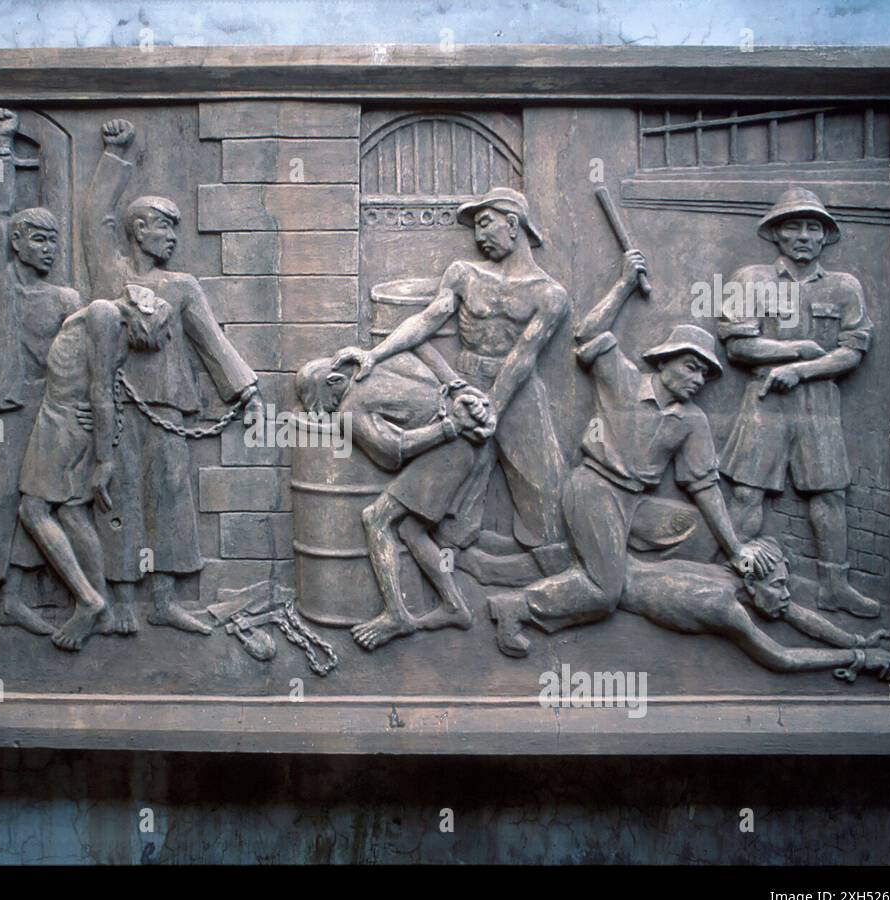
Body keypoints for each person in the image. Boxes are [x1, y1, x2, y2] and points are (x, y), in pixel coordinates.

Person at [488, 250, 771, 657]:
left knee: (700, 528)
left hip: (635, 504)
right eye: (692, 367)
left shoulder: (692, 421)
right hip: (594, 491)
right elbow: (587, 333)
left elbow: (705, 488)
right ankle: (515, 607)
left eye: (705, 373)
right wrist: (623, 284)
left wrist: (735, 549)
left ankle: (645, 579)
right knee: (605, 593)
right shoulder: (624, 380)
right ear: (666, 361)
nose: (699, 379)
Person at [80, 118, 262, 635]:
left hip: (169, 410)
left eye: (178, 229)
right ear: (140, 230)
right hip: (116, 408)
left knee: (173, 500)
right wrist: (115, 155)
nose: (174, 239)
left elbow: (211, 341)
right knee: (121, 498)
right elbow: (96, 218)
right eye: (166, 228)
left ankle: (164, 601)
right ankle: (120, 603)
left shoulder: (182, 285)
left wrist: (245, 390)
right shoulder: (112, 275)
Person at [334, 186, 568, 577]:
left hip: (519, 392)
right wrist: (374, 354)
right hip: (466, 382)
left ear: (513, 224)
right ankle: (465, 572)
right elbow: (426, 321)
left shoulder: (550, 294)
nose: (478, 236)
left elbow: (524, 356)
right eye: (475, 227)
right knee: (460, 485)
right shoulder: (464, 274)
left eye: (485, 224)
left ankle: (550, 577)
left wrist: (493, 406)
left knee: (542, 492)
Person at [0, 108, 83, 645]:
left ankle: (15, 599)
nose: (48, 249)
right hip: (0, 406)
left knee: (37, 500)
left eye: (53, 241)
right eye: (38, 240)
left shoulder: (65, 299)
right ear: (16, 243)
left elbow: (80, 363)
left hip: (44, 409)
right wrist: (1, 146)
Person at [718, 187, 880, 618]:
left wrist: (803, 369)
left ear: (826, 236)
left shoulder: (846, 287)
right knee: (748, 492)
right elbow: (738, 348)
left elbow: (853, 350)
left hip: (820, 404)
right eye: (793, 226)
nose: (804, 235)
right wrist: (797, 350)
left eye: (814, 227)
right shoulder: (751, 279)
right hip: (765, 399)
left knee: (829, 495)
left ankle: (834, 586)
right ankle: (732, 577)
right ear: (775, 234)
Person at [296, 353, 493, 650]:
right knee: (412, 530)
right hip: (467, 446)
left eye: (320, 403)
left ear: (334, 381)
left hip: (451, 448)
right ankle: (454, 607)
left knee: (376, 518)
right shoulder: (379, 363)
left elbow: (392, 452)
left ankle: (396, 616)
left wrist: (449, 426)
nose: (320, 413)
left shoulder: (350, 407)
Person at [17, 285, 172, 650]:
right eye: (161, 328)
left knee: (33, 510)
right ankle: (97, 605)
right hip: (64, 420)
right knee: (71, 512)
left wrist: (104, 459)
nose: (160, 339)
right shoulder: (105, 312)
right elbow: (99, 386)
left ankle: (88, 598)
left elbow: (101, 388)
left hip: (63, 421)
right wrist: (102, 455)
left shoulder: (105, 316)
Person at [621, 539, 890, 679]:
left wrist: (857, 640)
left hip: (623, 564)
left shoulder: (734, 576)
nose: (787, 594)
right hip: (605, 587)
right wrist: (855, 657)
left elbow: (788, 609)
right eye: (779, 585)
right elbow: (781, 657)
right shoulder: (721, 603)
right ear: (751, 584)